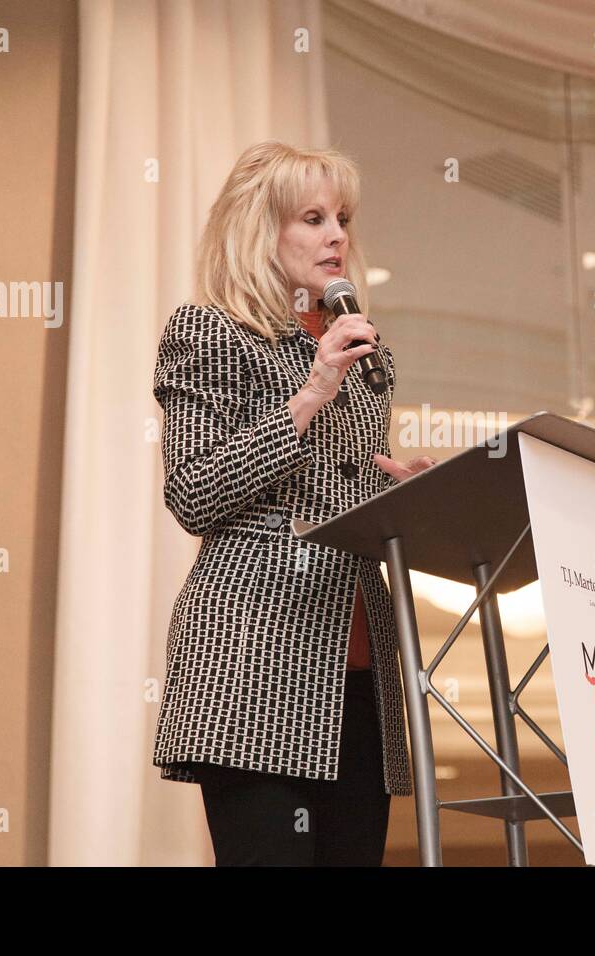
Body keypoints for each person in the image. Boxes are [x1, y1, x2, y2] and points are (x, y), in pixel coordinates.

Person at [151, 141, 436, 865]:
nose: (337, 235)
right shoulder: (209, 331)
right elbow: (194, 493)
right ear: (259, 230)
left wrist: (403, 492)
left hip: (361, 669)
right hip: (255, 661)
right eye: (312, 218)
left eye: (341, 217)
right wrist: (310, 396)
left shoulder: (369, 351)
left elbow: (338, 490)